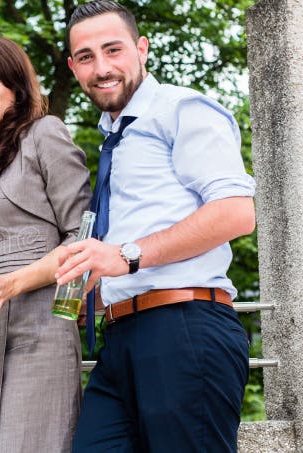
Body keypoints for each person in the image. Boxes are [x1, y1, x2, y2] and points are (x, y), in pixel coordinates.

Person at [57, 2, 256, 451]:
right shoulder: (115, 136)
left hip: (185, 326)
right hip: (121, 340)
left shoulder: (182, 109)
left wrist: (125, 255)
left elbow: (236, 212)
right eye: (86, 57)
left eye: (113, 50)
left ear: (142, 48)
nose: (102, 67)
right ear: (73, 67)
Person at [0, 35, 91, 453]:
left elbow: (82, 237)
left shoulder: (46, 133)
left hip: (41, 327)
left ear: (17, 84)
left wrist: (11, 284)